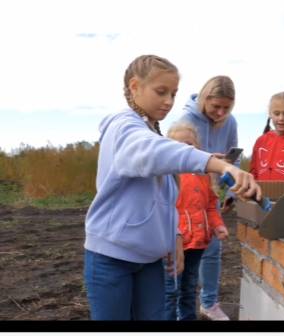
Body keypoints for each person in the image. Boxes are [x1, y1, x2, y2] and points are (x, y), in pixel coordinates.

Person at [84, 57, 259, 321]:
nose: (169, 101)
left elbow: (166, 197)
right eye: (161, 92)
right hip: (112, 257)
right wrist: (221, 166)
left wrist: (174, 236)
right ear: (134, 86)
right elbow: (154, 151)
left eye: (174, 94)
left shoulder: (150, 128)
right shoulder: (124, 127)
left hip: (152, 260)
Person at [179, 76, 239, 321]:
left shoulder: (230, 122)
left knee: (213, 249)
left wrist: (232, 191)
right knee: (187, 253)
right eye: (216, 107)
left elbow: (231, 161)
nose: (221, 112)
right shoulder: (186, 122)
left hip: (212, 193)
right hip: (186, 197)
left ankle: (209, 304)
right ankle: (180, 307)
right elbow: (176, 160)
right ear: (205, 99)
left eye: (227, 108)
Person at [164, 122, 228, 322]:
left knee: (190, 286)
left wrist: (218, 225)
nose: (185, 149)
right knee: (172, 288)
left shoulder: (203, 175)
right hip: (176, 244)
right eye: (179, 145)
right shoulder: (167, 176)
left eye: (189, 144)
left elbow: (210, 205)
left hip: (199, 242)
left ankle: (187, 317)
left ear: (197, 148)